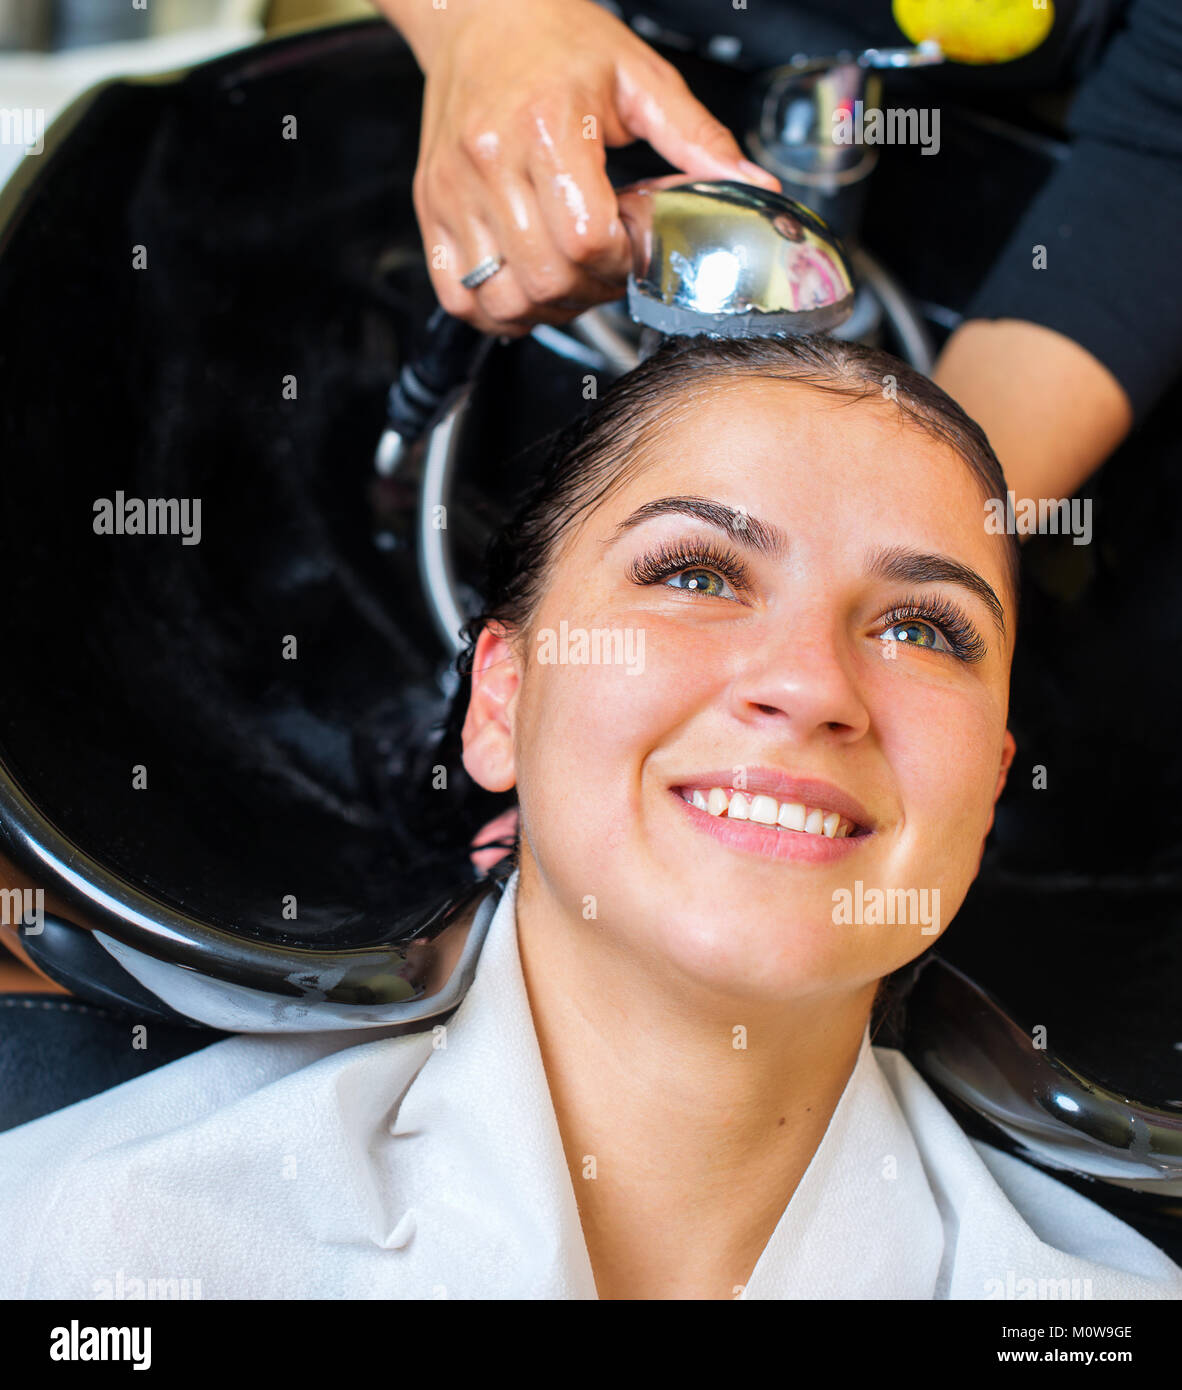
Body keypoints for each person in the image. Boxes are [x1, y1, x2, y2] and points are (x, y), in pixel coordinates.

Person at [0, 333, 1177, 1299]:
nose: (813, 686)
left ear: (986, 790)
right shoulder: (112, 1255)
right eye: (700, 575)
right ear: (503, 698)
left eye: (924, 627)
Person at [374, 0, 1182, 513]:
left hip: (998, 186)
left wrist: (923, 519)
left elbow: (1163, 143)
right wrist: (477, 21)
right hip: (531, 92)